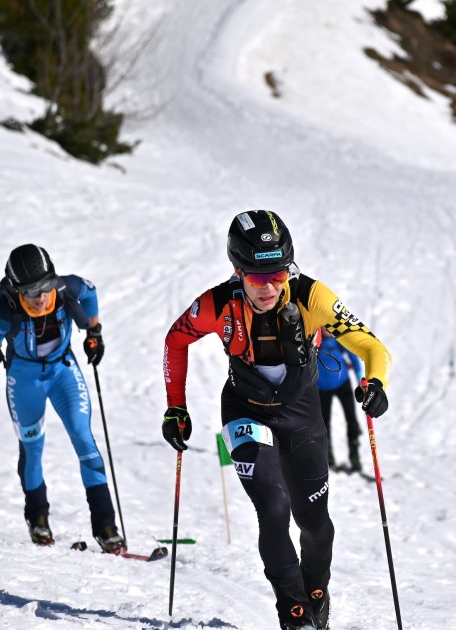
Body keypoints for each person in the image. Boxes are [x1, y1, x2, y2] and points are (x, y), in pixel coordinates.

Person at [161, 210, 391, 629]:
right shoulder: (216, 303)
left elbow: (373, 347)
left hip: (301, 416)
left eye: (277, 275)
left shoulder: (312, 296)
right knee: (273, 507)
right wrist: (176, 405)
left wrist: (375, 383)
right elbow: (176, 339)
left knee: (315, 524)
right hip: (244, 410)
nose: (268, 287)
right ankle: (294, 611)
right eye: (256, 277)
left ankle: (315, 592)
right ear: (237, 271)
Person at [0, 244, 125, 554]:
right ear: (17, 290)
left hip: (62, 371)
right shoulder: (5, 310)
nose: (41, 296)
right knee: (33, 447)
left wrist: (94, 333)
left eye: (46, 285)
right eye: (31, 290)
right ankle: (37, 517)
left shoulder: (67, 287)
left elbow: (90, 293)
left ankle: (106, 526)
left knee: (83, 437)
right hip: (24, 380)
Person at [317, 328, 364, 472]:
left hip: (343, 384)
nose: (328, 329)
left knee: (352, 419)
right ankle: (328, 456)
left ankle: (354, 454)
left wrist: (361, 380)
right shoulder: (315, 340)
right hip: (321, 388)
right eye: (325, 326)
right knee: (324, 423)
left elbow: (354, 359)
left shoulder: (340, 339)